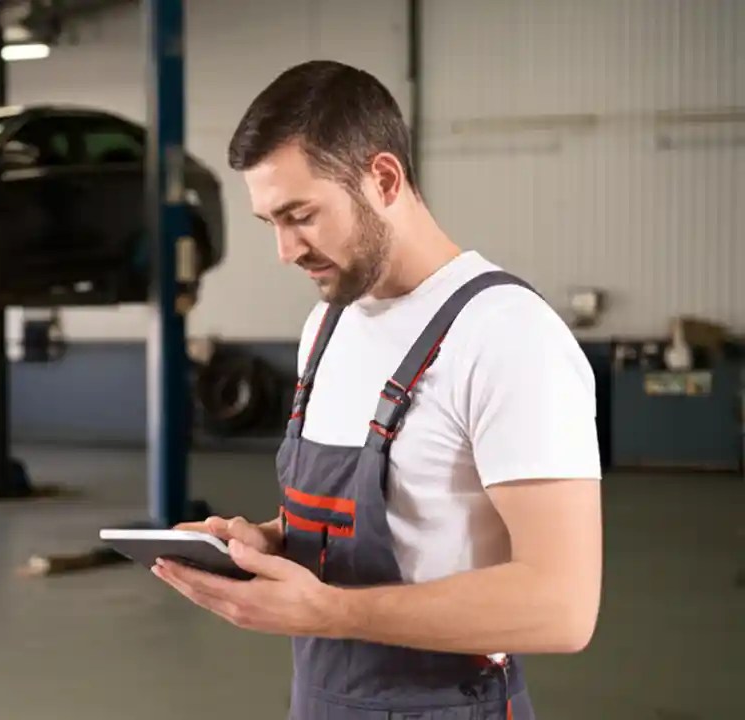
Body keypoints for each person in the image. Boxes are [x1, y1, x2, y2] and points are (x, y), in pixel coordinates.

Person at [154, 60, 603, 719]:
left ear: (384, 178)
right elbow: (400, 521)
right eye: (269, 223)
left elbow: (562, 608)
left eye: (300, 215)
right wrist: (269, 541)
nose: (285, 249)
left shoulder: (508, 337)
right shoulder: (327, 327)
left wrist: (328, 610)